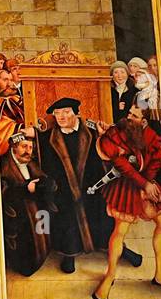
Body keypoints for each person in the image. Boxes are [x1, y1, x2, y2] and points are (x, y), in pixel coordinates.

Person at [93, 104, 161, 299]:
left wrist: (147, 185)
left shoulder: (151, 136)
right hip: (126, 185)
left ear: (144, 121)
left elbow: (155, 161)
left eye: (134, 115)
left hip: (145, 184)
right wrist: (143, 184)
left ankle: (160, 275)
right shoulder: (115, 132)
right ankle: (109, 277)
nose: (128, 117)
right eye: (129, 113)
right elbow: (121, 165)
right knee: (120, 231)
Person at [34, 96, 123, 274]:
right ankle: (69, 253)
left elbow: (110, 152)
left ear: (77, 114)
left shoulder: (91, 131)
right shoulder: (47, 137)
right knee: (66, 217)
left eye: (66, 112)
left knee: (101, 214)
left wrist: (105, 134)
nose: (61, 117)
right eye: (57, 113)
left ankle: (115, 247)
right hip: (64, 189)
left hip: (92, 186)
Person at [0, 131, 57, 277]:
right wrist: (26, 188)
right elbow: (3, 192)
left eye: (30, 148)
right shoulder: (4, 165)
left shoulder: (31, 162)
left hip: (37, 211)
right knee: (26, 247)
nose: (28, 151)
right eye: (24, 146)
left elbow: (42, 178)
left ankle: (41, 257)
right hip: (16, 215)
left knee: (43, 232)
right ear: (14, 147)